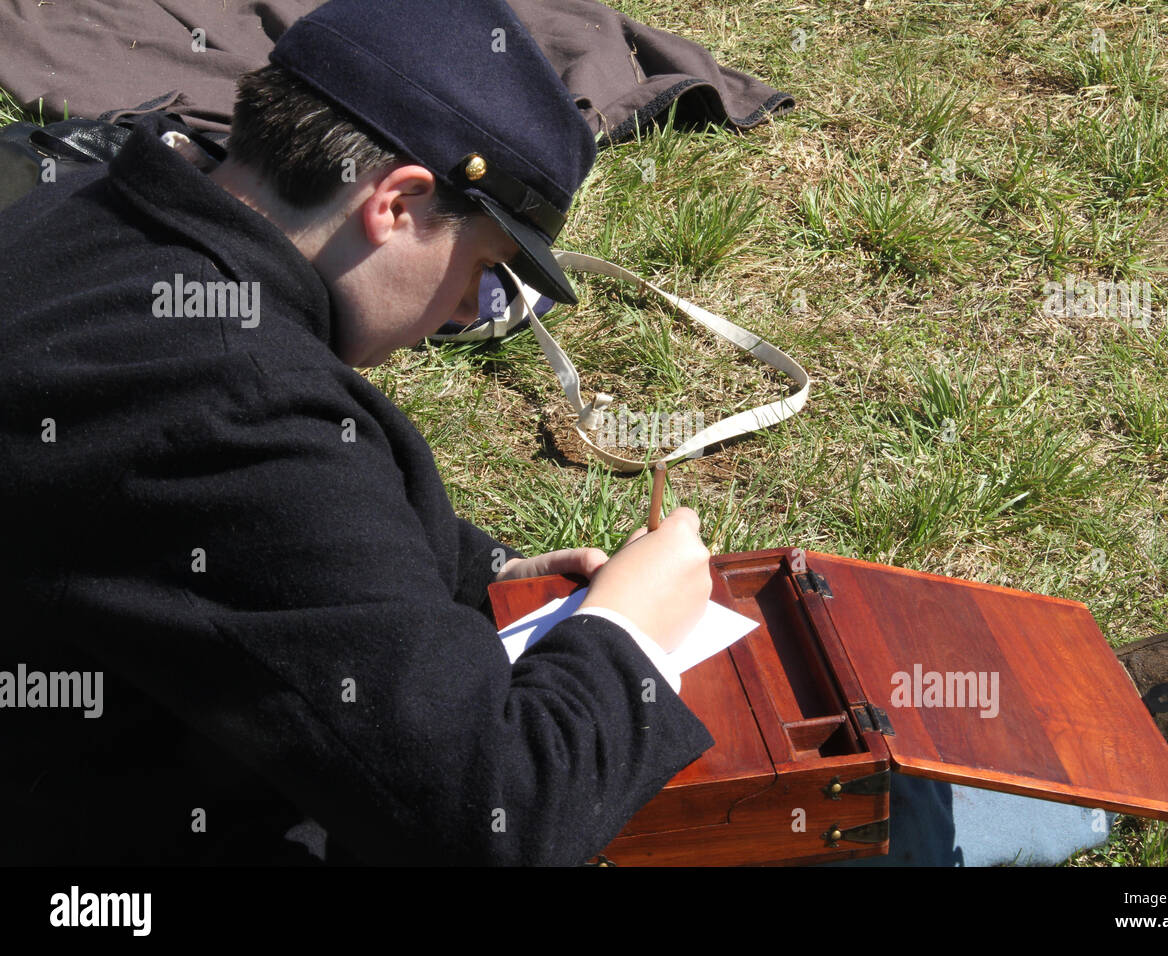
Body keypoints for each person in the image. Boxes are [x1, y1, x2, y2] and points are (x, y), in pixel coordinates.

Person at [0, 0, 715, 866]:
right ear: (401, 203)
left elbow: (230, 547)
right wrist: (628, 635)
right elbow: (492, 818)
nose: (468, 309)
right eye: (486, 270)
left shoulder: (87, 200)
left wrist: (475, 571)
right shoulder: (244, 407)